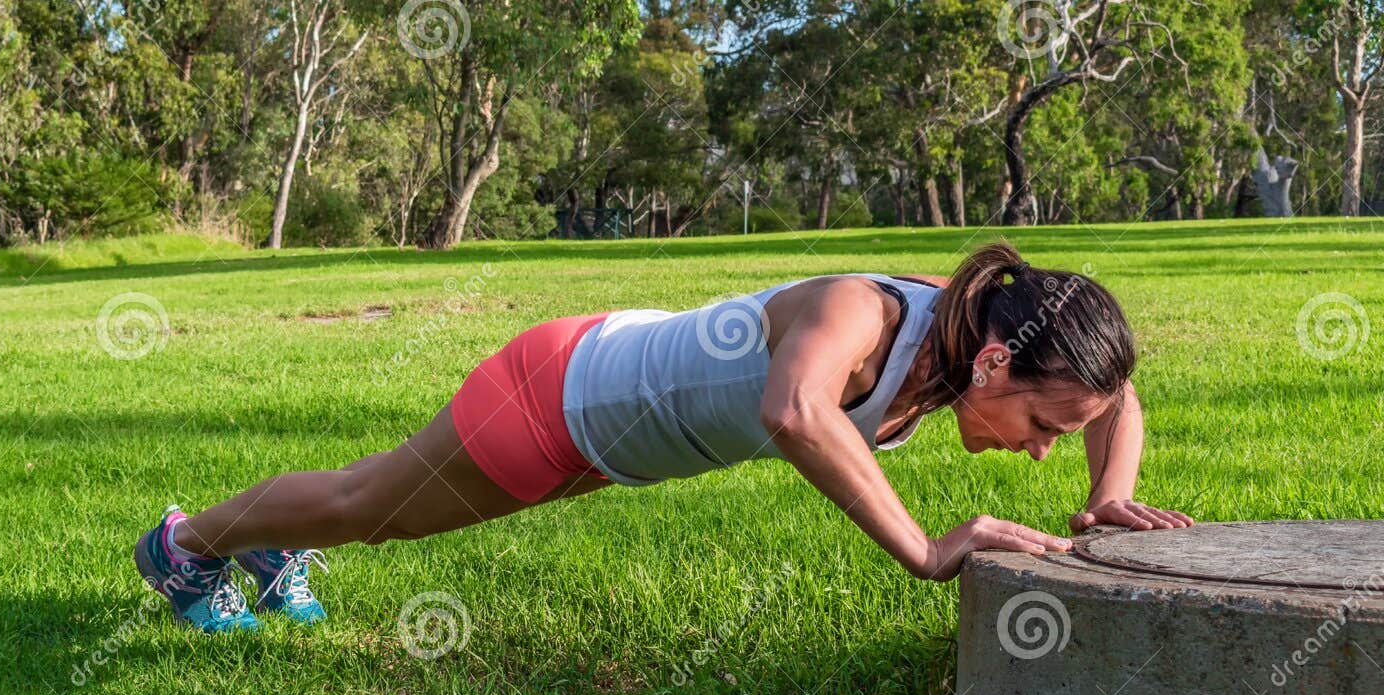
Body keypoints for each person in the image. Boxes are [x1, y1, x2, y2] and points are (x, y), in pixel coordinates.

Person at [133, 241, 1191, 632]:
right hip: (558, 402)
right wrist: (924, 548)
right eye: (1046, 429)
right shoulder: (862, 318)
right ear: (1000, 366)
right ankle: (188, 546)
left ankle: (257, 546)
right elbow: (792, 414)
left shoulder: (973, 341)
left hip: (615, 433)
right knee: (374, 510)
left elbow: (1119, 397)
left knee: (378, 506)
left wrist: (1110, 493)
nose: (1045, 449)